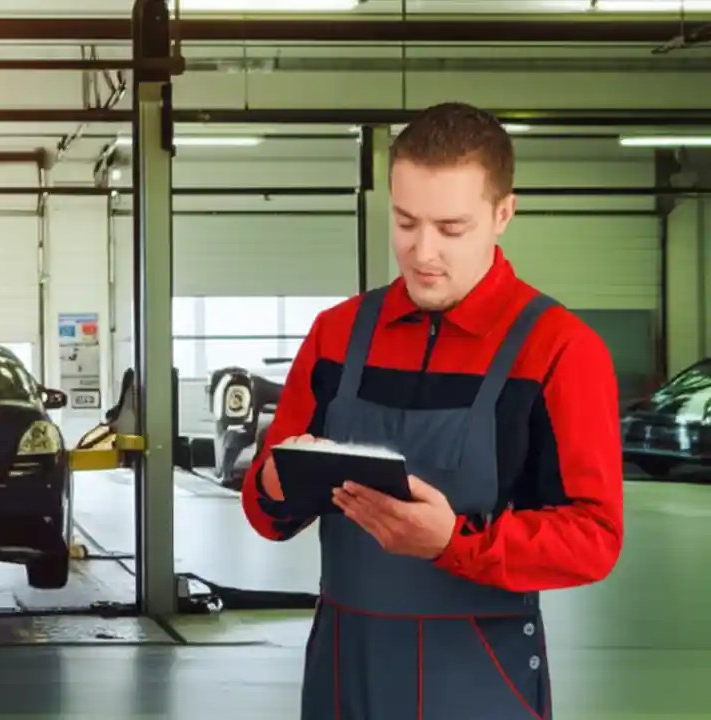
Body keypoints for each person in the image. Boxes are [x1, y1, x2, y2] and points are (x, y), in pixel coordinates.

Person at [241, 102, 624, 719]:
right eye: (404, 222)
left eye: (451, 228)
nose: (422, 253)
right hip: (344, 672)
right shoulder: (335, 334)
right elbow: (267, 511)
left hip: (478, 673)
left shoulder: (559, 350)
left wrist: (455, 543)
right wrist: (274, 480)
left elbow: (594, 539)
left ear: (503, 214)